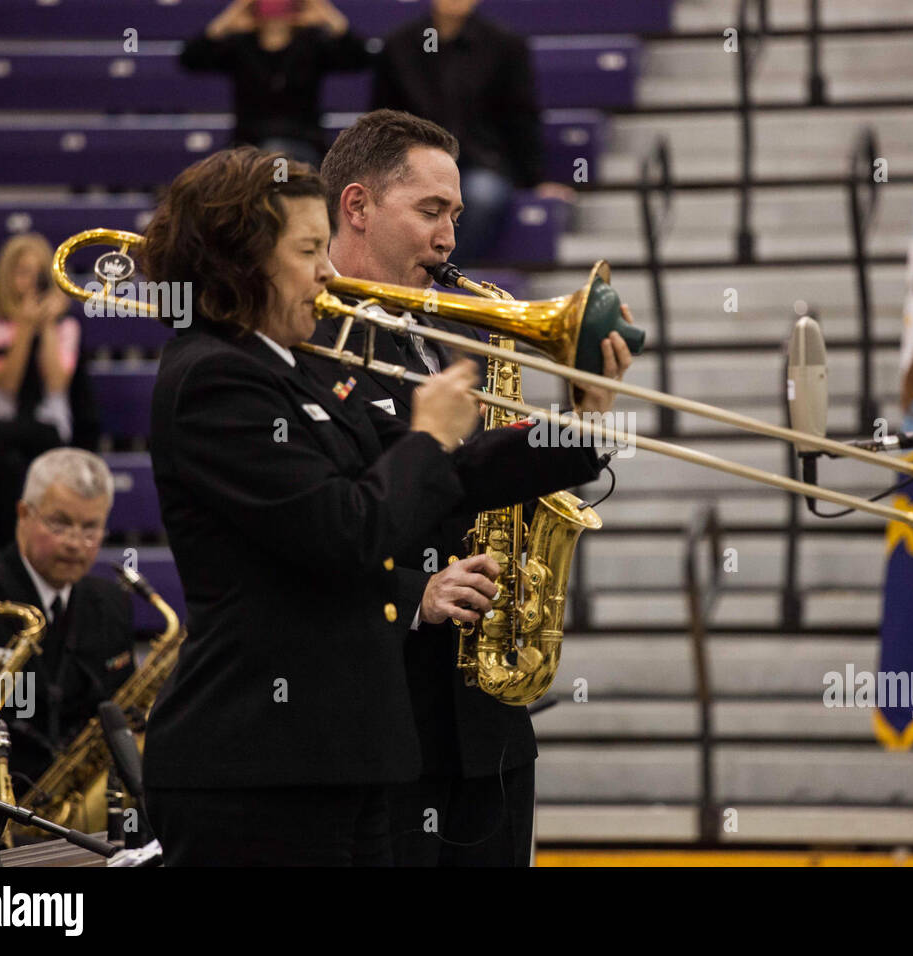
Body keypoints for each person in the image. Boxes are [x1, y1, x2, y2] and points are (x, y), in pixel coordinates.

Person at [138, 145, 609, 866]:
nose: (328, 271)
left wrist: (581, 421)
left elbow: (453, 469)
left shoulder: (292, 367)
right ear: (241, 259)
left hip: (349, 757)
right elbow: (347, 530)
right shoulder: (214, 381)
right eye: (307, 250)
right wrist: (425, 438)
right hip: (261, 765)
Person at [312, 109, 634, 865]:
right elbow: (316, 524)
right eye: (430, 211)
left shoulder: (459, 329)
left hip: (487, 719)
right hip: (380, 715)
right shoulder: (307, 339)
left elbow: (481, 467)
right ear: (356, 206)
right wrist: (411, 596)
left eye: (454, 214)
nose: (449, 237)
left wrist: (582, 420)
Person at [0, 448, 134, 793]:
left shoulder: (113, 603)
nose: (75, 543)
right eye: (60, 523)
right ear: (23, 513)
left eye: (91, 528)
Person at [370, 0, 576, 262]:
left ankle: (443, 277)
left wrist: (535, 179)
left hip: (483, 163)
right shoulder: (399, 45)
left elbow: (521, 117)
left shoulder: (504, 44)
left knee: (482, 197)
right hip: (414, 165)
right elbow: (382, 119)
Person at [0, 234, 99, 555]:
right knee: (7, 458)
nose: (28, 282)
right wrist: (24, 328)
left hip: (50, 428)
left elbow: (56, 383)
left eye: (35, 273)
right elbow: (8, 384)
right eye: (21, 272)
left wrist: (46, 327)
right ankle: (15, 547)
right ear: (6, 277)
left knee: (0, 440)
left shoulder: (65, 328)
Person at [180, 0, 371, 166]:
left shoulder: (312, 43)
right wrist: (230, 17)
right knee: (270, 164)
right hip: (248, 146)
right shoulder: (239, 45)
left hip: (303, 143)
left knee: (279, 161)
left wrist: (327, 14)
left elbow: (360, 58)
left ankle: (282, 195)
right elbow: (191, 59)